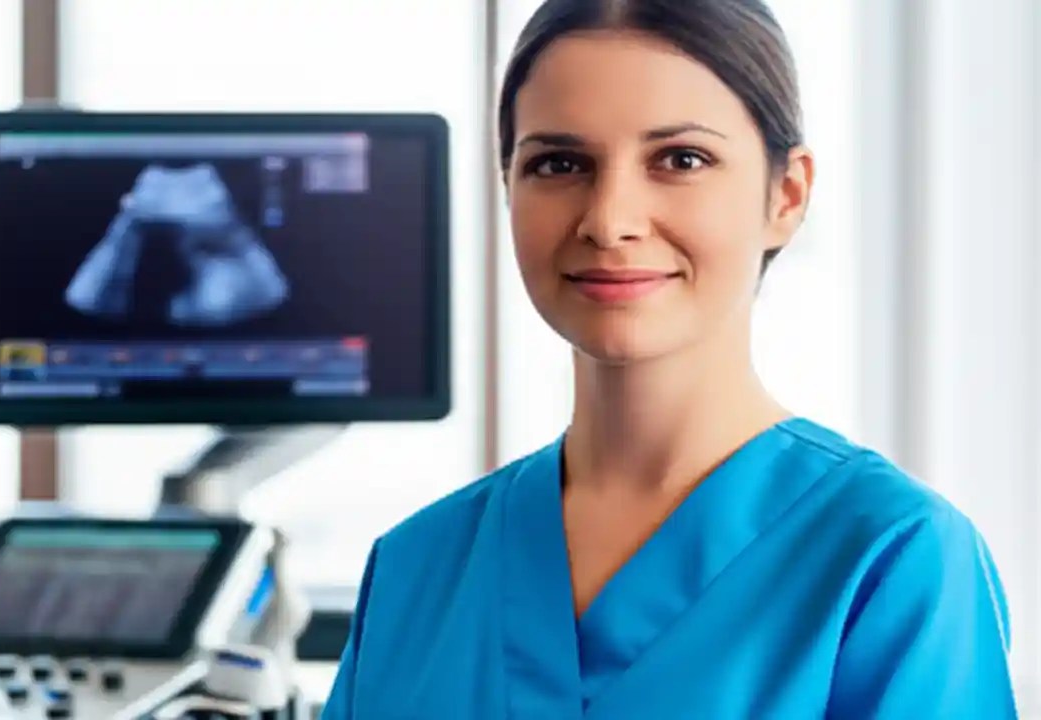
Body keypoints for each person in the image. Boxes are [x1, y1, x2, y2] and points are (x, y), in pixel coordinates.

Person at [321, 0, 1017, 717]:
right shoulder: (417, 565)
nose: (609, 220)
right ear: (508, 187)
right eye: (559, 163)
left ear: (787, 193)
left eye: (681, 159)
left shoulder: (891, 557)